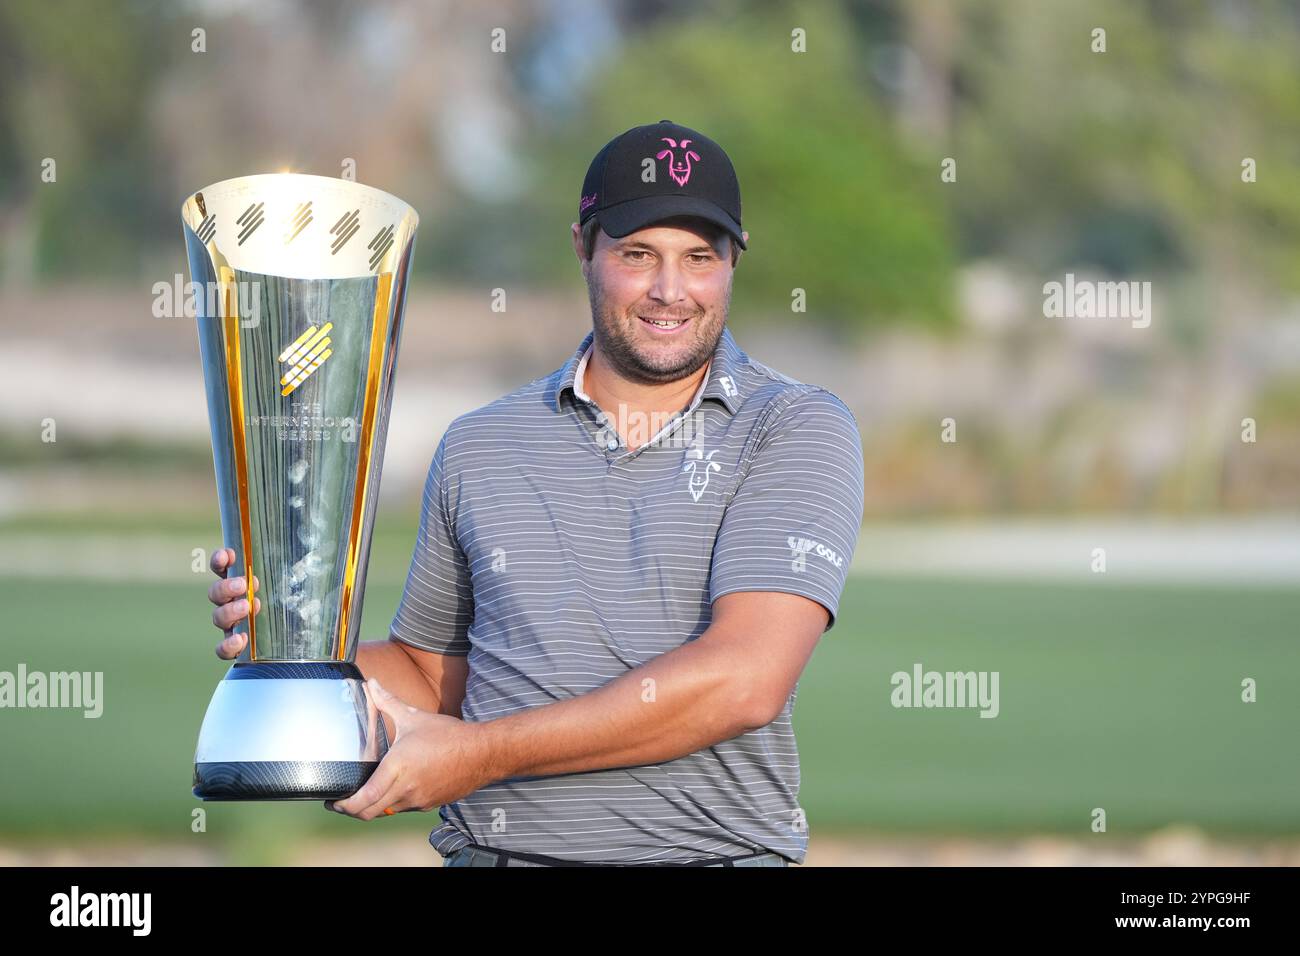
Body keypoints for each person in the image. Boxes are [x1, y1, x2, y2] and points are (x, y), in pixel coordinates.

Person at [207, 120, 864, 867]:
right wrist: (299, 641)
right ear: (584, 248)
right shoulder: (480, 444)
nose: (670, 290)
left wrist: (479, 756)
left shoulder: (793, 428)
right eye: (638, 254)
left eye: (700, 258)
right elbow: (434, 676)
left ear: (733, 263)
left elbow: (744, 681)